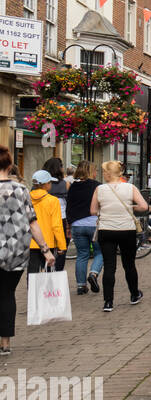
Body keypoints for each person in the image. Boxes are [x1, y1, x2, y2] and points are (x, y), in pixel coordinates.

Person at [0, 147, 57, 354]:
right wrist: (46, 250)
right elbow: (32, 223)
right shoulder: (21, 190)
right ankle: (5, 343)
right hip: (15, 252)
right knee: (7, 295)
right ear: (9, 165)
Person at [91, 161, 151, 312]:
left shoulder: (100, 189)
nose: (102, 174)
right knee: (129, 264)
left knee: (109, 266)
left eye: (104, 171)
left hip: (106, 230)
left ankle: (108, 302)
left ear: (108, 173)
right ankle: (134, 294)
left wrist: (104, 209)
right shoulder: (130, 188)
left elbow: (92, 211)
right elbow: (144, 206)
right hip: (126, 229)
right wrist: (131, 207)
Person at [66, 161, 104, 295]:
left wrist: (69, 226)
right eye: (95, 170)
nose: (96, 173)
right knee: (100, 252)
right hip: (94, 225)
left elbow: (69, 207)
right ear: (91, 171)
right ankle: (93, 274)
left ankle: (81, 286)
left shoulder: (72, 187)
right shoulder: (98, 186)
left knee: (82, 255)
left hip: (77, 225)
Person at [28, 170, 67, 273]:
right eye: (50, 182)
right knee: (48, 271)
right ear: (46, 184)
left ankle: (32, 289)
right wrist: (62, 245)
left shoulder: (26, 198)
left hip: (30, 241)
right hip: (48, 242)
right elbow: (56, 226)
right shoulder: (53, 201)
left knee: (32, 272)